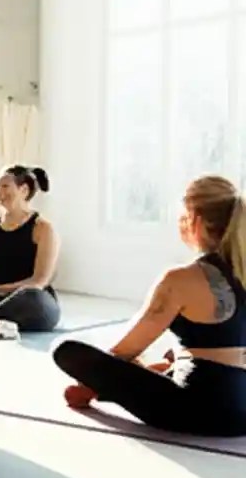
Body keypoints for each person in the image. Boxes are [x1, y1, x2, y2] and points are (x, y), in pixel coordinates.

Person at [55, 176, 246, 436]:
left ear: (195, 220)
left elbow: (125, 349)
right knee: (169, 358)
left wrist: (96, 379)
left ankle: (105, 389)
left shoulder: (180, 279)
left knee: (67, 351)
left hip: (204, 411)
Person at [0, 165, 61, 335]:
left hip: (30, 300)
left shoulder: (43, 228)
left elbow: (38, 281)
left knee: (32, 299)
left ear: (24, 190)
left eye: (4, 186)